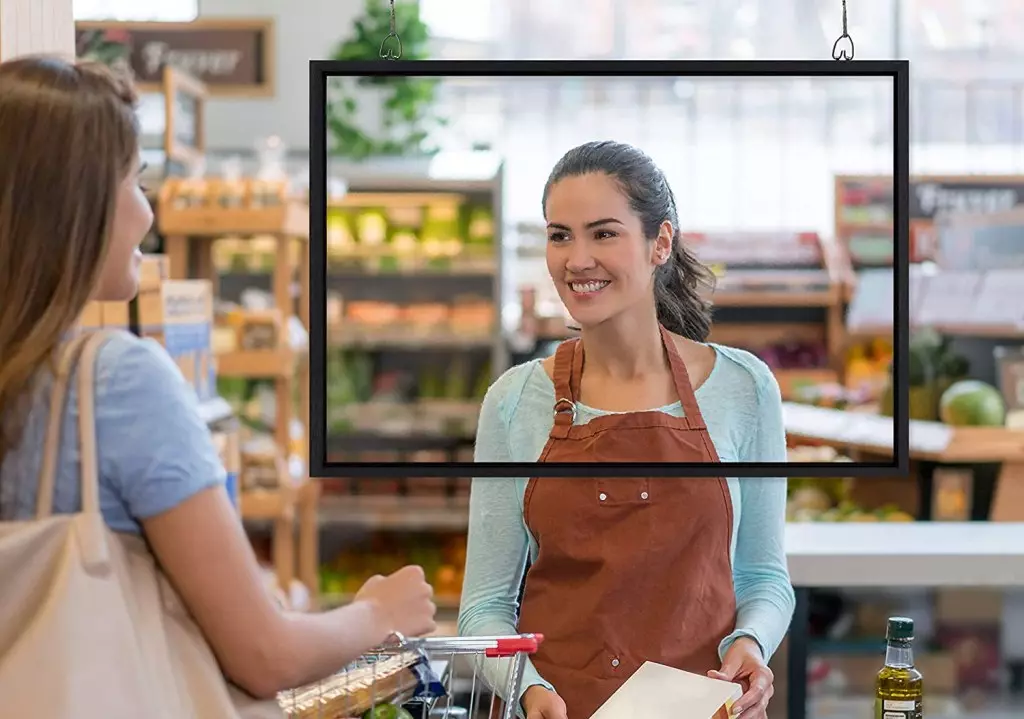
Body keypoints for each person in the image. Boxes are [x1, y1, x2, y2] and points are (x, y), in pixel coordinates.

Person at [0, 56, 436, 699]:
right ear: (78, 203)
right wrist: (380, 614)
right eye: (134, 180)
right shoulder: (112, 382)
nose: (148, 215)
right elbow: (265, 655)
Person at [458, 141, 795, 719]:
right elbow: (484, 607)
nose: (576, 258)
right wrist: (527, 690)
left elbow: (764, 576)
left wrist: (751, 643)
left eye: (604, 233)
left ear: (660, 243)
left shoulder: (744, 389)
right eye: (559, 234)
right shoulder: (515, 402)